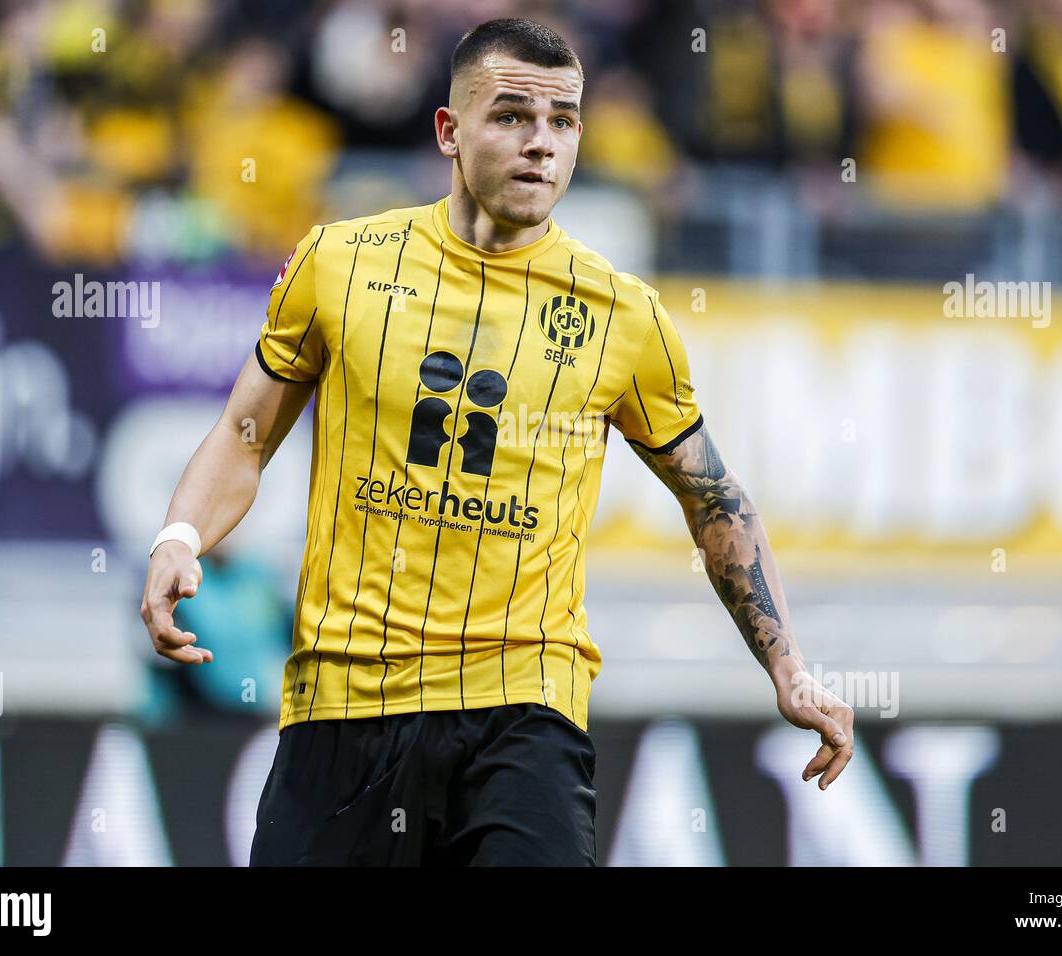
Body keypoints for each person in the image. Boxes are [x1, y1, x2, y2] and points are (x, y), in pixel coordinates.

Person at [139, 17, 854, 867]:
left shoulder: (625, 318)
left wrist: (787, 667)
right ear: (449, 130)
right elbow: (245, 434)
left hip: (525, 712)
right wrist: (180, 538)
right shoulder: (341, 264)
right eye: (512, 116)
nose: (541, 144)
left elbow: (713, 497)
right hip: (345, 700)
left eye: (563, 121)